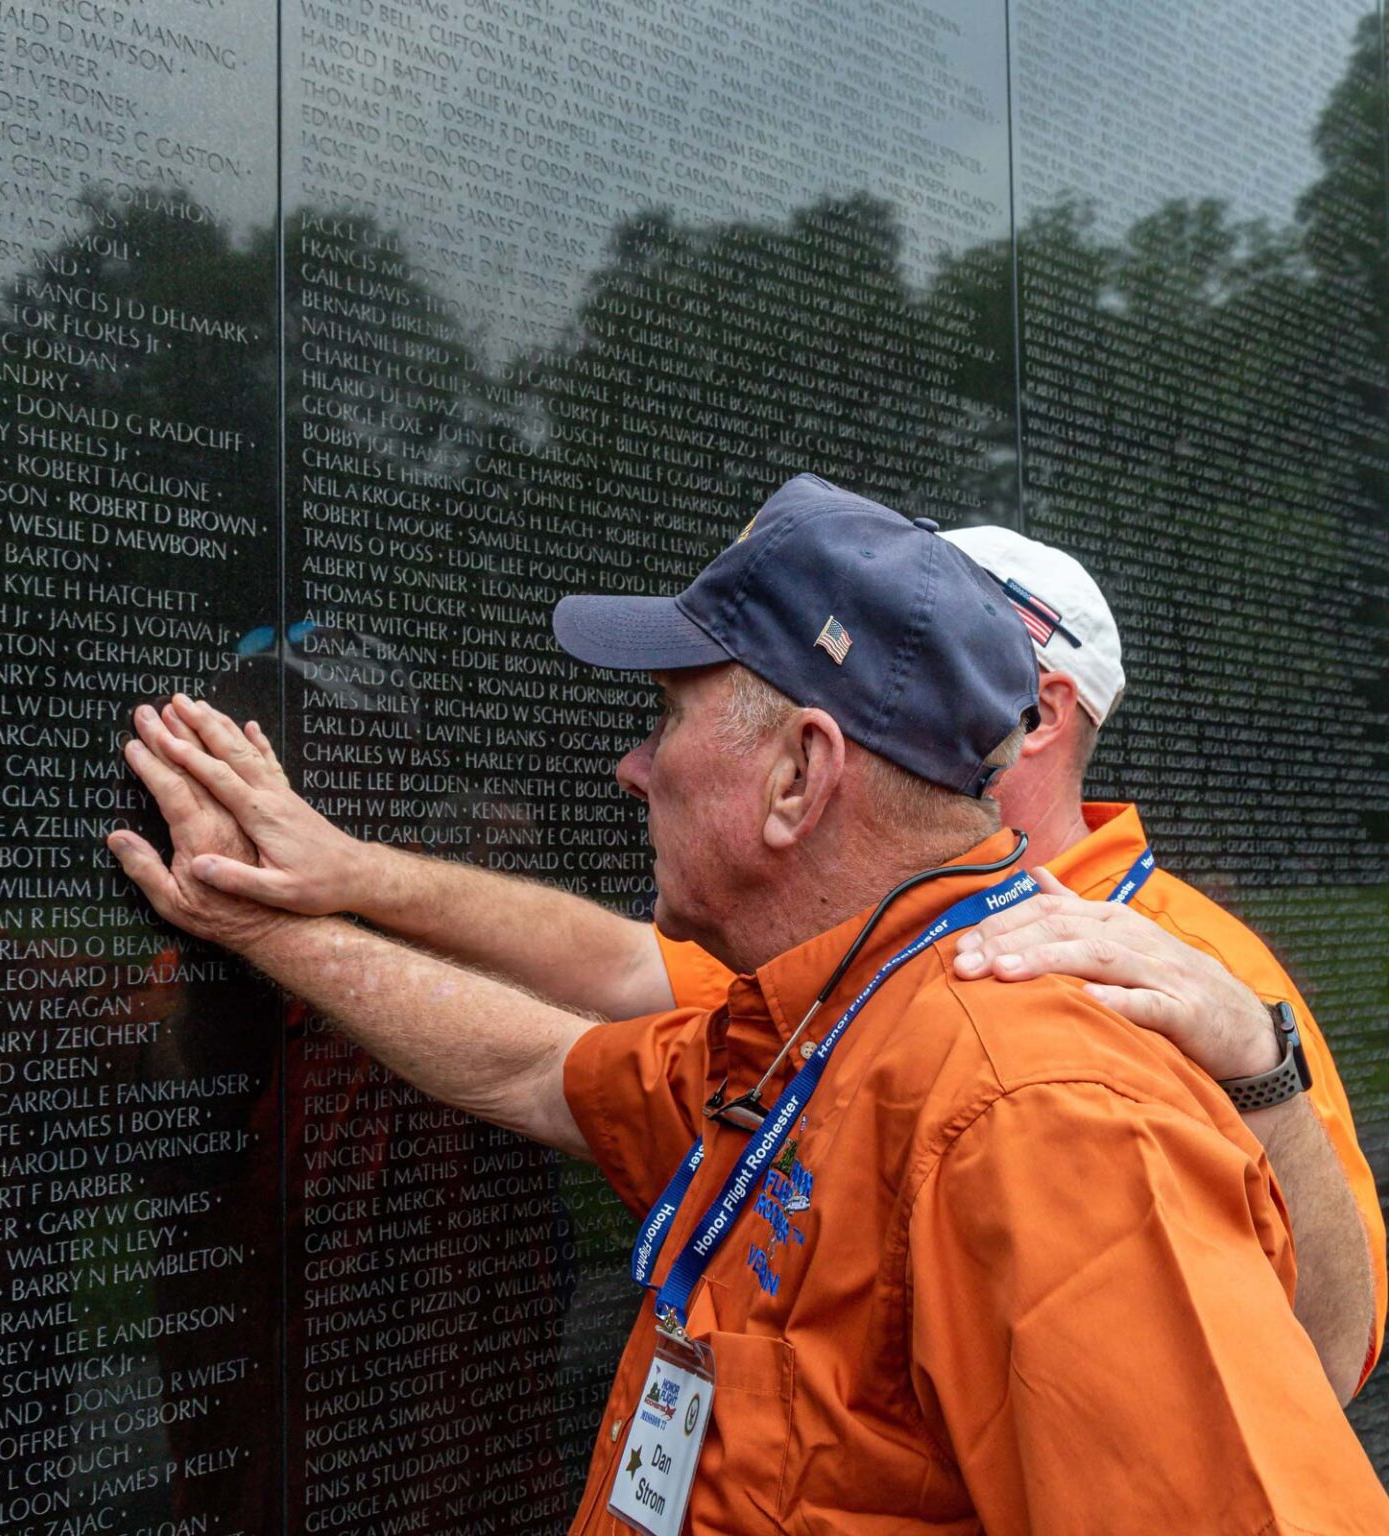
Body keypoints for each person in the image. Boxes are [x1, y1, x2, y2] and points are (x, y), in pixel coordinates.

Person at [109, 475, 1388, 1532]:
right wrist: (267, 920)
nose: (628, 766)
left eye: (667, 715)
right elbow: (540, 1065)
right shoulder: (824, 1018)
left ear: (798, 777)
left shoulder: (1032, 1109)